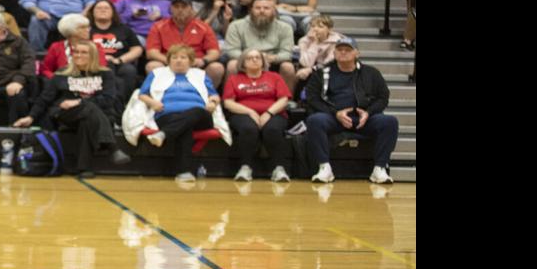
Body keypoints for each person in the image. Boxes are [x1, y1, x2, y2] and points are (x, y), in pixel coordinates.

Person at [18, 39, 126, 176]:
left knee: (88, 116)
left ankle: (84, 168)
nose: (78, 55)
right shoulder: (62, 73)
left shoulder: (106, 74)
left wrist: (79, 102)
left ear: (93, 55)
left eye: (84, 52)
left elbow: (108, 100)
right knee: (89, 109)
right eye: (76, 52)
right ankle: (112, 147)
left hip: (94, 116)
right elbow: (45, 98)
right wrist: (31, 116)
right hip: (66, 114)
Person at [304, 36, 396, 184]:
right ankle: (324, 168)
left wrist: (368, 112)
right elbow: (312, 98)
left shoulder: (371, 73)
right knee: (315, 120)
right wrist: (335, 113)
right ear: (334, 53)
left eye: (348, 50)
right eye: (339, 50)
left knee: (389, 122)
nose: (343, 53)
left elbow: (383, 97)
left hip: (363, 118)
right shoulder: (322, 73)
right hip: (334, 117)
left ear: (357, 54)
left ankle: (380, 168)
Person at [137, 44, 219, 183]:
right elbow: (142, 94)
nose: (178, 60)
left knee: (196, 111)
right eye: (174, 57)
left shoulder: (200, 75)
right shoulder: (157, 74)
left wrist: (212, 103)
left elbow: (214, 95)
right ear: (169, 60)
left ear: (191, 61)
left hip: (201, 117)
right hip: (167, 115)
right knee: (185, 127)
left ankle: (163, 134)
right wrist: (152, 103)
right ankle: (184, 172)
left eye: (183, 57)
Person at [221, 48, 291, 182]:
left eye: (257, 57)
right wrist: (250, 111)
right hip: (242, 113)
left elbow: (284, 99)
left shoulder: (274, 77)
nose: (254, 60)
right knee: (248, 129)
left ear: (263, 61)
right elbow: (228, 103)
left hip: (273, 113)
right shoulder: (234, 79)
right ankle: (245, 168)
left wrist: (269, 113)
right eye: (249, 58)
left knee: (273, 129)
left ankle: (279, 169)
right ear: (242, 63)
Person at [145, 0, 223, 89]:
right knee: (152, 66)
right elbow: (151, 52)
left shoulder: (203, 27)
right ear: (171, 9)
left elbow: (214, 52)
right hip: (168, 64)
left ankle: (207, 96)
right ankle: (160, 96)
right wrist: (171, 61)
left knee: (217, 68)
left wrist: (203, 61)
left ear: (191, 9)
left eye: (184, 6)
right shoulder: (158, 26)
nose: (180, 10)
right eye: (176, 6)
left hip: (196, 64)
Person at [85, 0, 143, 95]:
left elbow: (137, 48)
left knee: (129, 70)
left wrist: (120, 60)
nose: (103, 10)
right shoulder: (85, 29)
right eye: (99, 8)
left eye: (106, 8)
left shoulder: (124, 29)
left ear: (113, 12)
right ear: (92, 12)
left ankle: (123, 103)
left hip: (118, 63)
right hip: (93, 63)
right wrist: (100, 58)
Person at [37, 12, 107, 78]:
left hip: (90, 83)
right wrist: (57, 80)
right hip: (63, 86)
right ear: (70, 30)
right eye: (83, 27)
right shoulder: (56, 47)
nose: (88, 30)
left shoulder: (96, 46)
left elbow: (101, 68)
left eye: (88, 27)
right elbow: (46, 70)